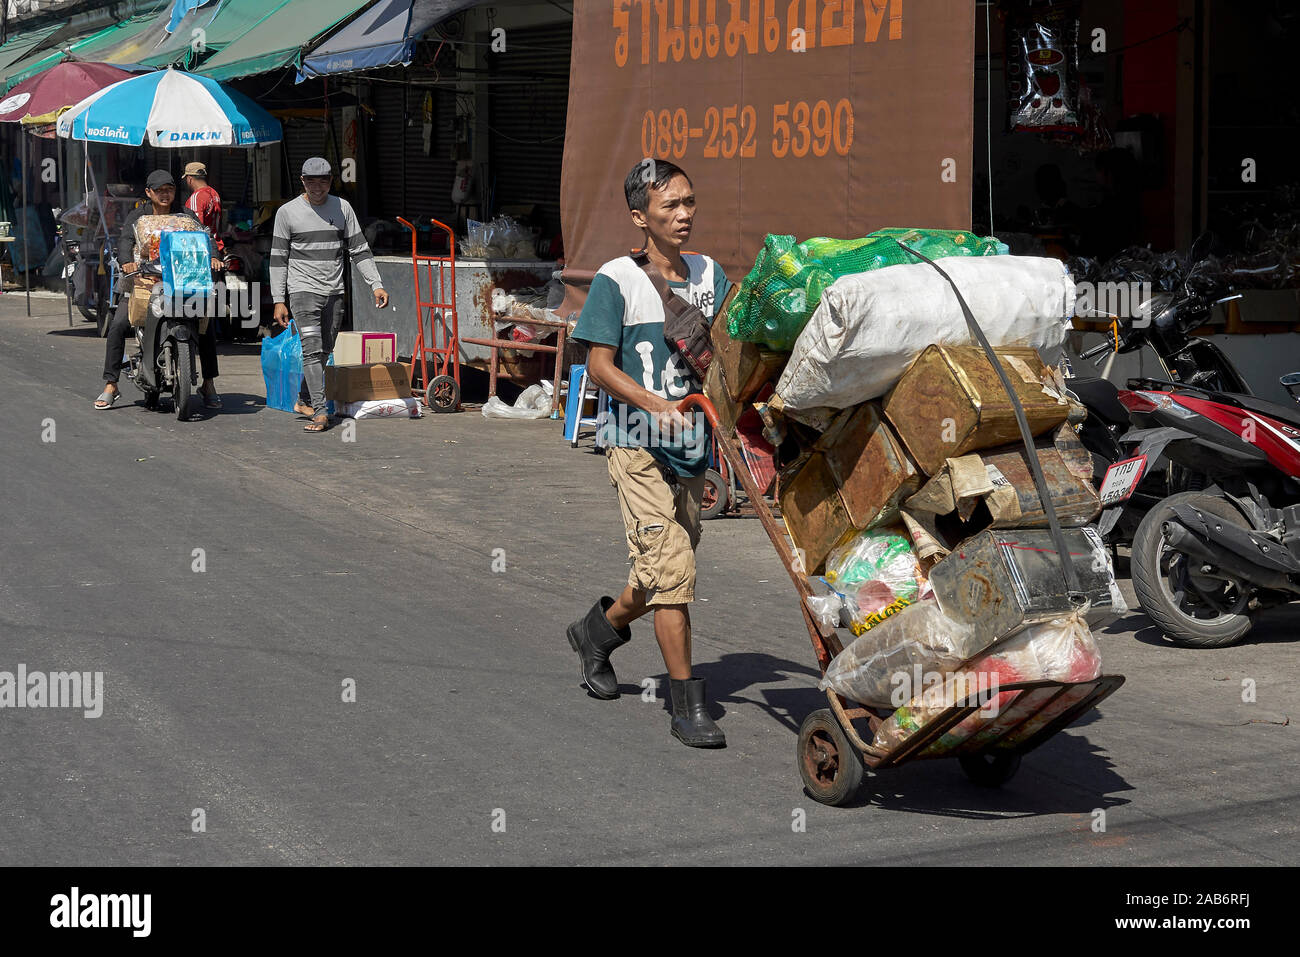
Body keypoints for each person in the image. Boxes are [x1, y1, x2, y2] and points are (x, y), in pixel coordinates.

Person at [564, 159, 732, 748]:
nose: (684, 215)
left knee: (655, 575)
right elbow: (598, 365)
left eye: (689, 202)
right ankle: (688, 706)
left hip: (691, 448)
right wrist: (652, 404)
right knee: (674, 575)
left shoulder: (711, 276)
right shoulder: (617, 279)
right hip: (634, 444)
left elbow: (728, 357)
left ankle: (596, 632)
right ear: (641, 217)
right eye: (670, 207)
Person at [270, 157, 389, 433]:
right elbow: (278, 258)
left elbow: (359, 250)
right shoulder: (287, 213)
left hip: (334, 291)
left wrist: (376, 284)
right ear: (302, 181)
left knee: (325, 349)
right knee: (311, 350)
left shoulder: (342, 208)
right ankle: (321, 411)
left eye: (322, 181)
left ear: (330, 181)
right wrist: (278, 298)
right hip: (302, 291)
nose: (317, 187)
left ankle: (304, 398)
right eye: (311, 181)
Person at [93, 169, 223, 411]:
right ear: (148, 192)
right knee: (119, 325)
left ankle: (208, 383)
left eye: (169, 189)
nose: (165, 195)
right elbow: (125, 242)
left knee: (206, 325)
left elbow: (206, 238)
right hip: (142, 281)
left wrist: (213, 257)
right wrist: (126, 262)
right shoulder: (137, 216)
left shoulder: (186, 215)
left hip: (182, 282)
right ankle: (111, 384)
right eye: (160, 190)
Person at [182, 161, 223, 251]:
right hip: (217, 246)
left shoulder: (197, 197)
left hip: (204, 249)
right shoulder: (214, 193)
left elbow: (194, 227)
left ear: (189, 179)